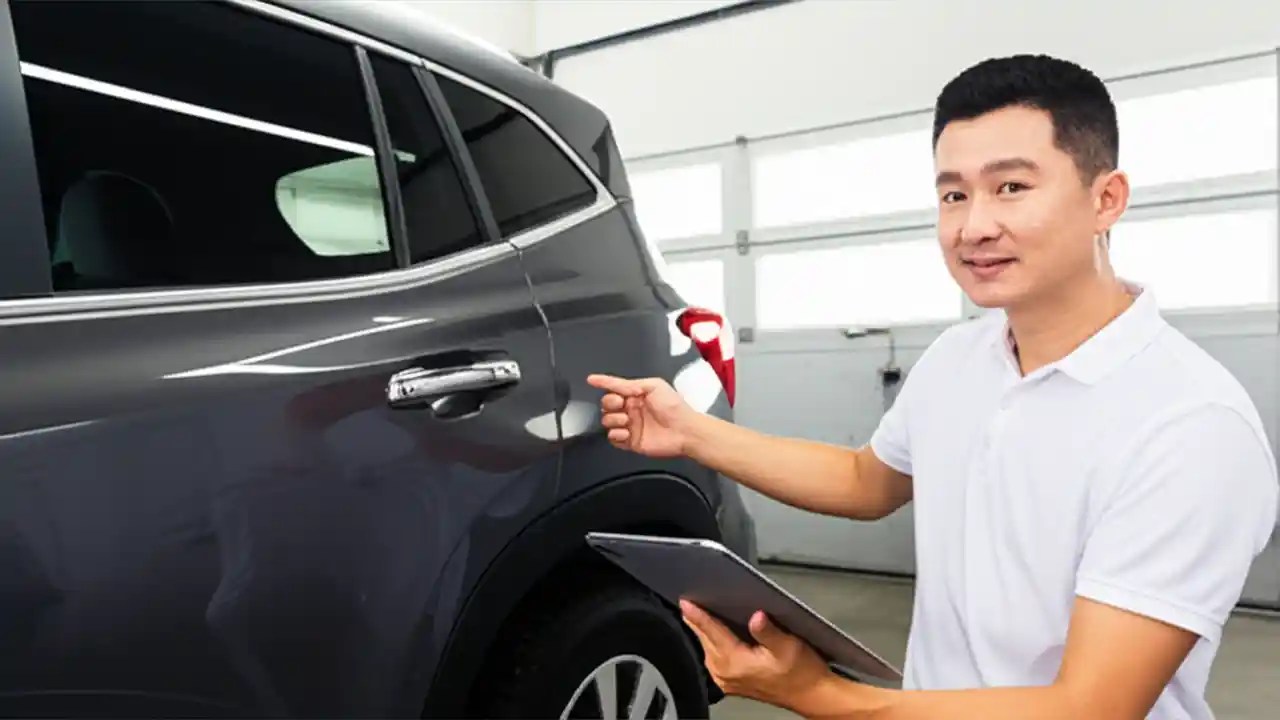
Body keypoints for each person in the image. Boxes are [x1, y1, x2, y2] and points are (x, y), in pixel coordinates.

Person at [587, 54, 1279, 719]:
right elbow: (866, 481)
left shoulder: (1191, 425)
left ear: (1106, 199)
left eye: (1011, 186)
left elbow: (1090, 707)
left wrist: (819, 694)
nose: (974, 226)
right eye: (954, 193)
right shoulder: (960, 357)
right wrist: (692, 432)